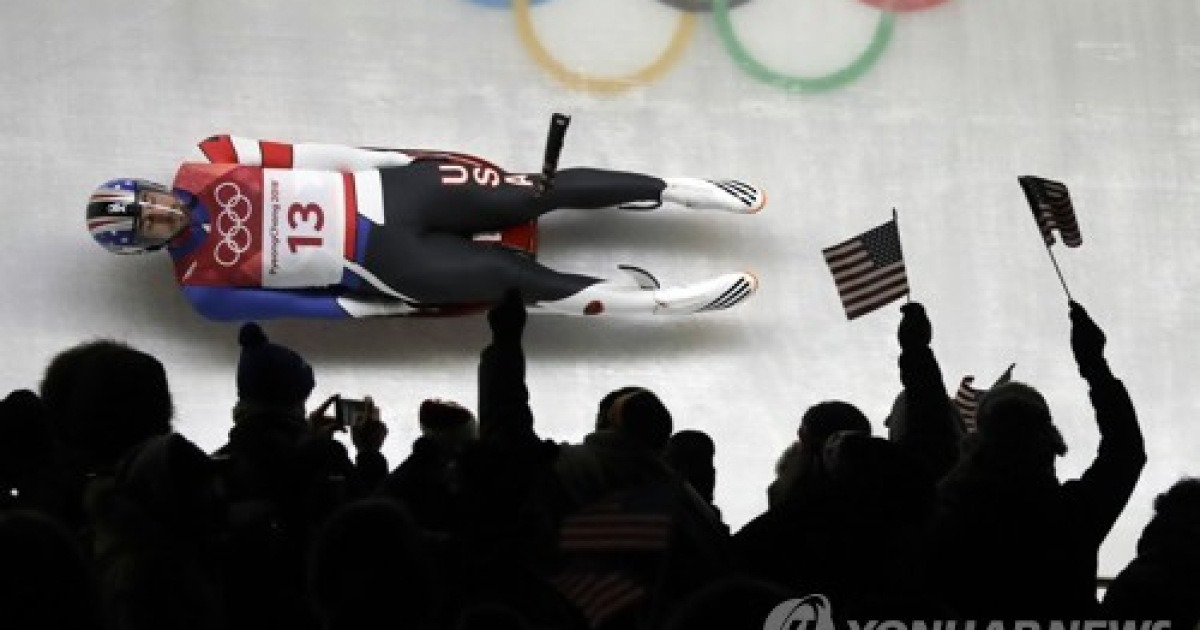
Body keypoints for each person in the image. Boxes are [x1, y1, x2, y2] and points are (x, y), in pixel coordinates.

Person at [85, 134, 764, 320]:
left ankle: (684, 190)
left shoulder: (210, 159)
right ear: (143, 245)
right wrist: (381, 312)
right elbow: (310, 309)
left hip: (391, 191)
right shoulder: (204, 291)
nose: (163, 211)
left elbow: (304, 152)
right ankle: (654, 303)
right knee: (511, 278)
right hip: (383, 265)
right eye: (149, 223)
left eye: (150, 200)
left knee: (531, 192)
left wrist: (391, 162)